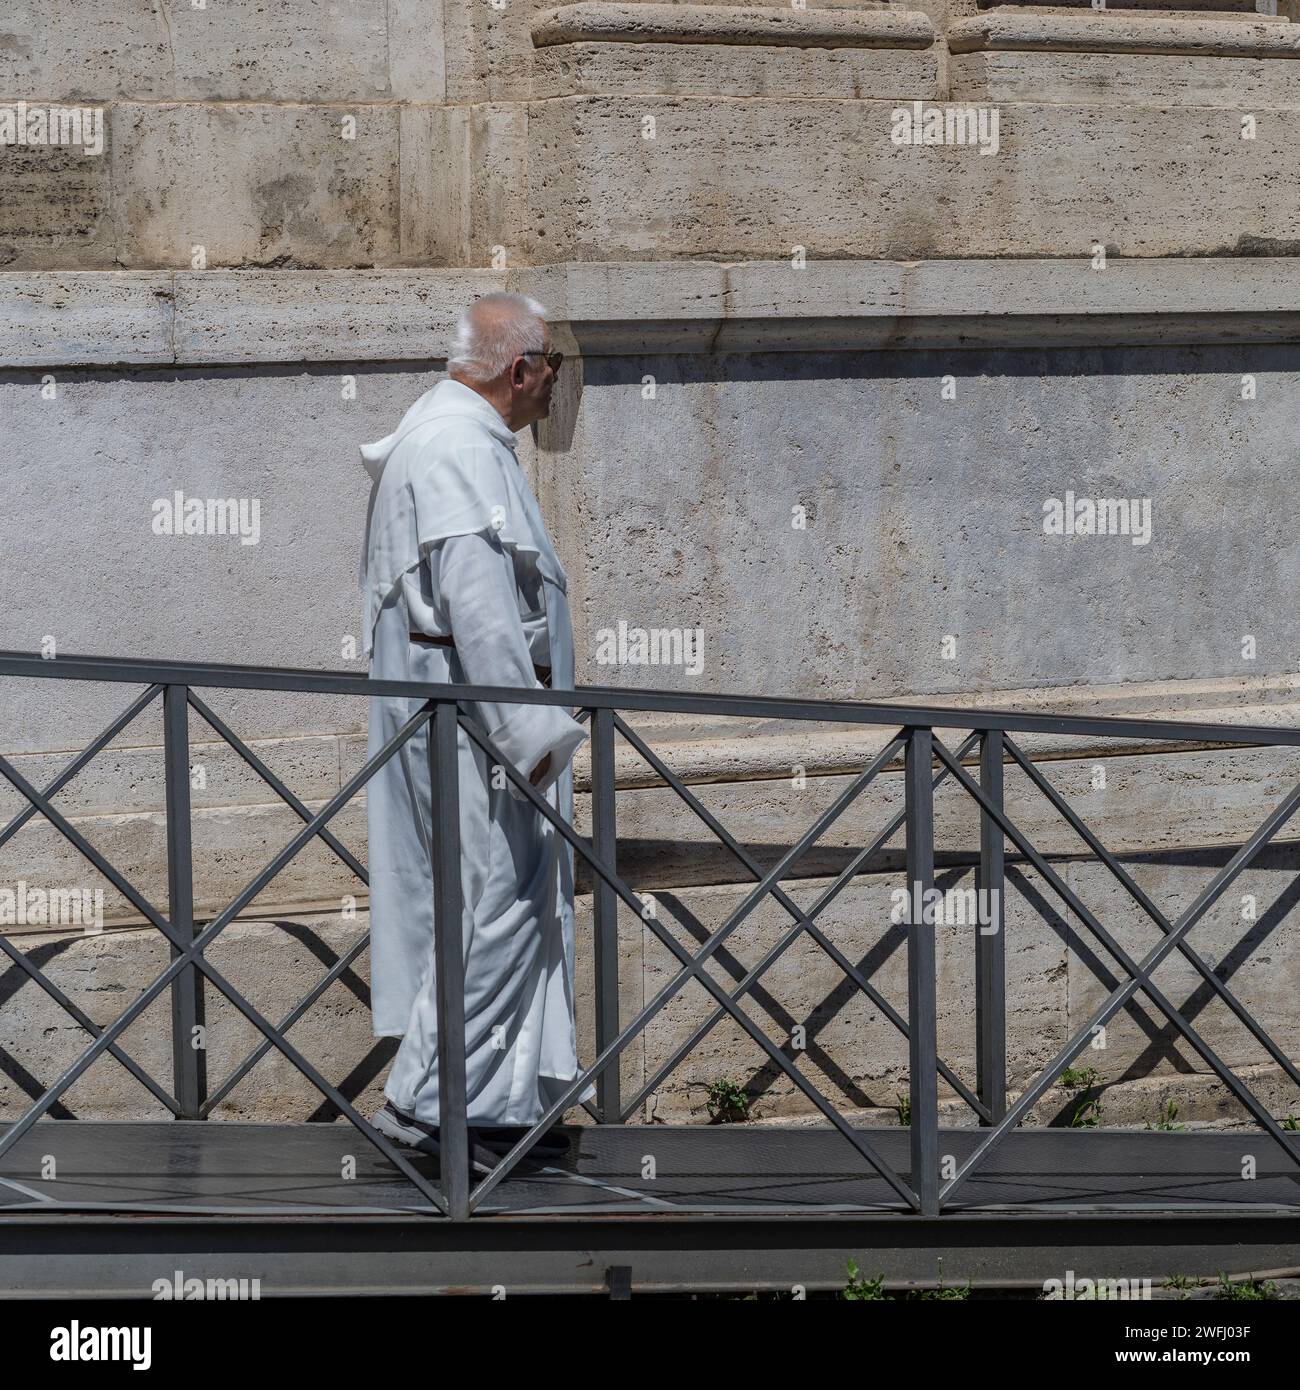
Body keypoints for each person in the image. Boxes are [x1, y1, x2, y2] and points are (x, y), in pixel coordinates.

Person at [357, 291, 593, 1172]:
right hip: (480, 720)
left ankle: (492, 1104)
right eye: (553, 368)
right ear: (521, 369)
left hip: (450, 709)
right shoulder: (459, 446)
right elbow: (481, 605)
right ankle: (429, 1103)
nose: (555, 385)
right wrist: (528, 734)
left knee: (476, 901)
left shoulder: (442, 429)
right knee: (506, 899)